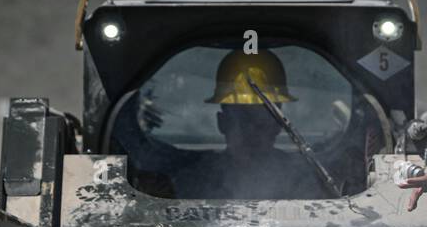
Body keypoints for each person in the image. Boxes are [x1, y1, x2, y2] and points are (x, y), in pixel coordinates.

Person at [112, 49, 333, 199]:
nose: (252, 132)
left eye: (263, 120)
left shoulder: (310, 180)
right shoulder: (186, 181)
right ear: (222, 122)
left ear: (279, 124)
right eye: (243, 120)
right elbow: (136, 148)